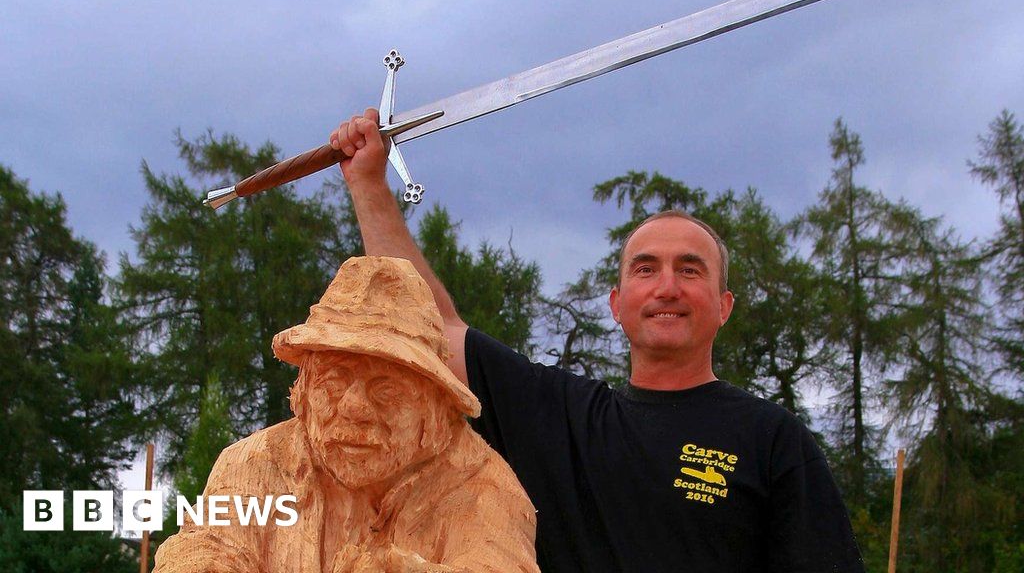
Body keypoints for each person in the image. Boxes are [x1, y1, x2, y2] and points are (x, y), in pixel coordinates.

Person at [329, 108, 865, 572]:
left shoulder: (772, 441)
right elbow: (434, 327)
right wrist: (369, 186)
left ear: (724, 306)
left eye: (691, 270)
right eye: (647, 268)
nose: (668, 287)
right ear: (616, 303)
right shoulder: (562, 421)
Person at [153, 256, 538, 573]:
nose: (353, 409)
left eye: (386, 390)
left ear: (435, 408)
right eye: (333, 382)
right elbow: (204, 549)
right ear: (302, 392)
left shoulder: (484, 489)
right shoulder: (253, 465)